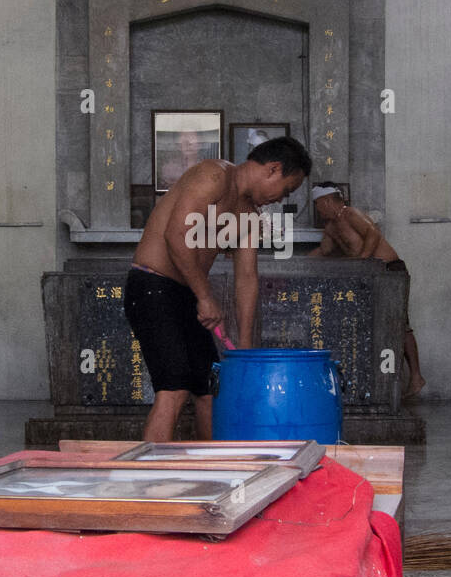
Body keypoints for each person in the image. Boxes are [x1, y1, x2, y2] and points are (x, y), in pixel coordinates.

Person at [124, 136, 311, 441]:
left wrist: (246, 347)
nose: (280, 199)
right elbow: (176, 235)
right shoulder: (213, 175)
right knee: (175, 388)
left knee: (209, 389)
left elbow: (247, 278)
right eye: (286, 190)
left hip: (186, 295)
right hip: (151, 286)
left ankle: (212, 473)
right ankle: (147, 480)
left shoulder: (249, 216)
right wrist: (205, 296)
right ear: (273, 169)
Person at [308, 183, 425, 398]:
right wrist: (295, 263)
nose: (318, 211)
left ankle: (416, 376)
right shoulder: (332, 227)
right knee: (378, 325)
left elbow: (373, 233)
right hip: (368, 275)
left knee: (399, 324)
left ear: (326, 201)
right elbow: (324, 251)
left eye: (317, 205)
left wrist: (363, 262)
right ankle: (383, 384)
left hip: (389, 270)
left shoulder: (350, 213)